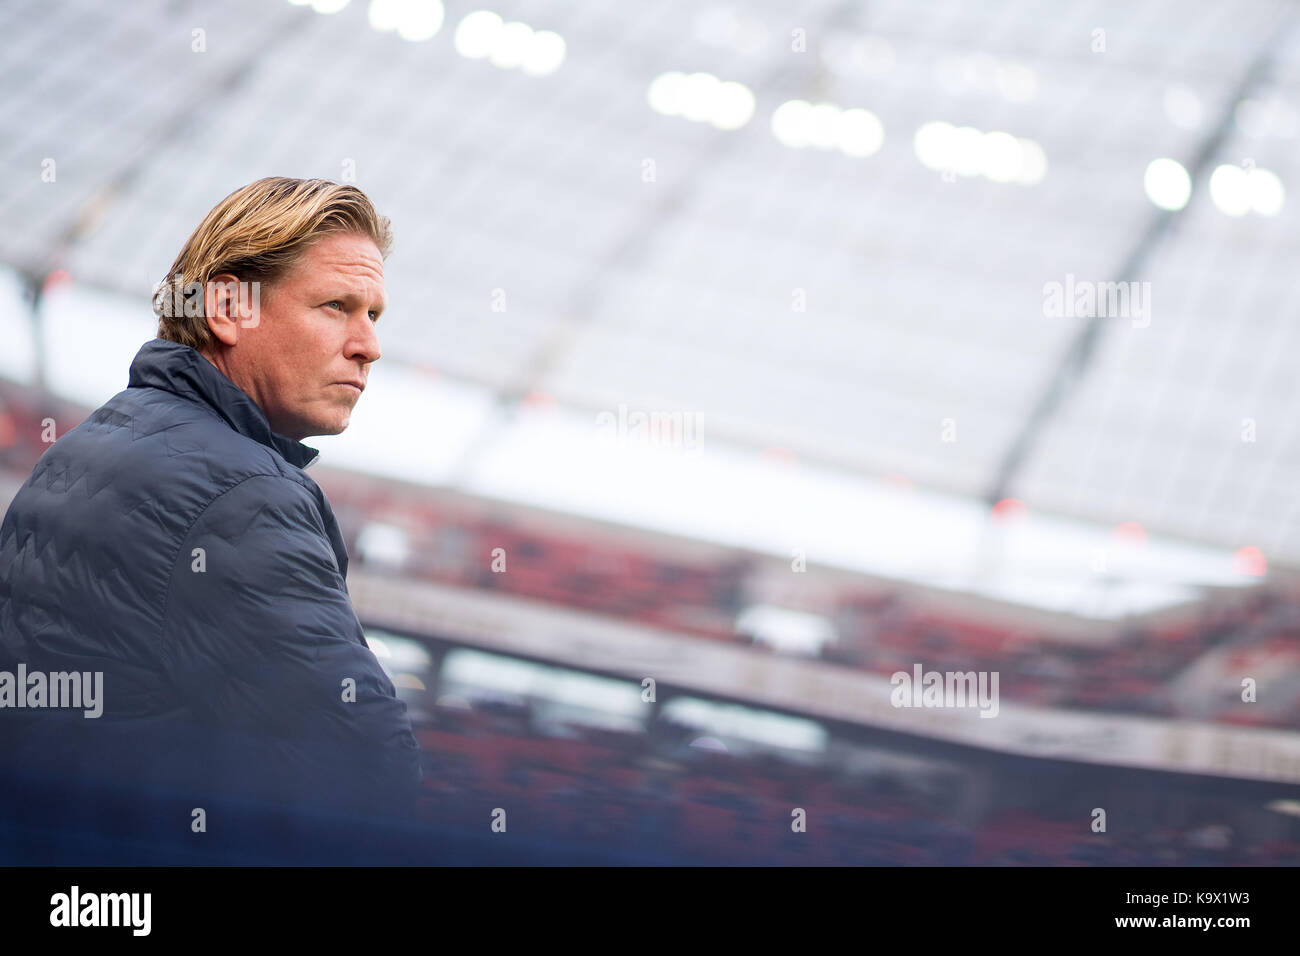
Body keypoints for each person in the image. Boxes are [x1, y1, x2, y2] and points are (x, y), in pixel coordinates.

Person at [0, 177, 422, 859]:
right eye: (337, 307)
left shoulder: (92, 443)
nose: (367, 345)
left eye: (374, 313)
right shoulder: (241, 495)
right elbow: (372, 775)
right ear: (227, 308)